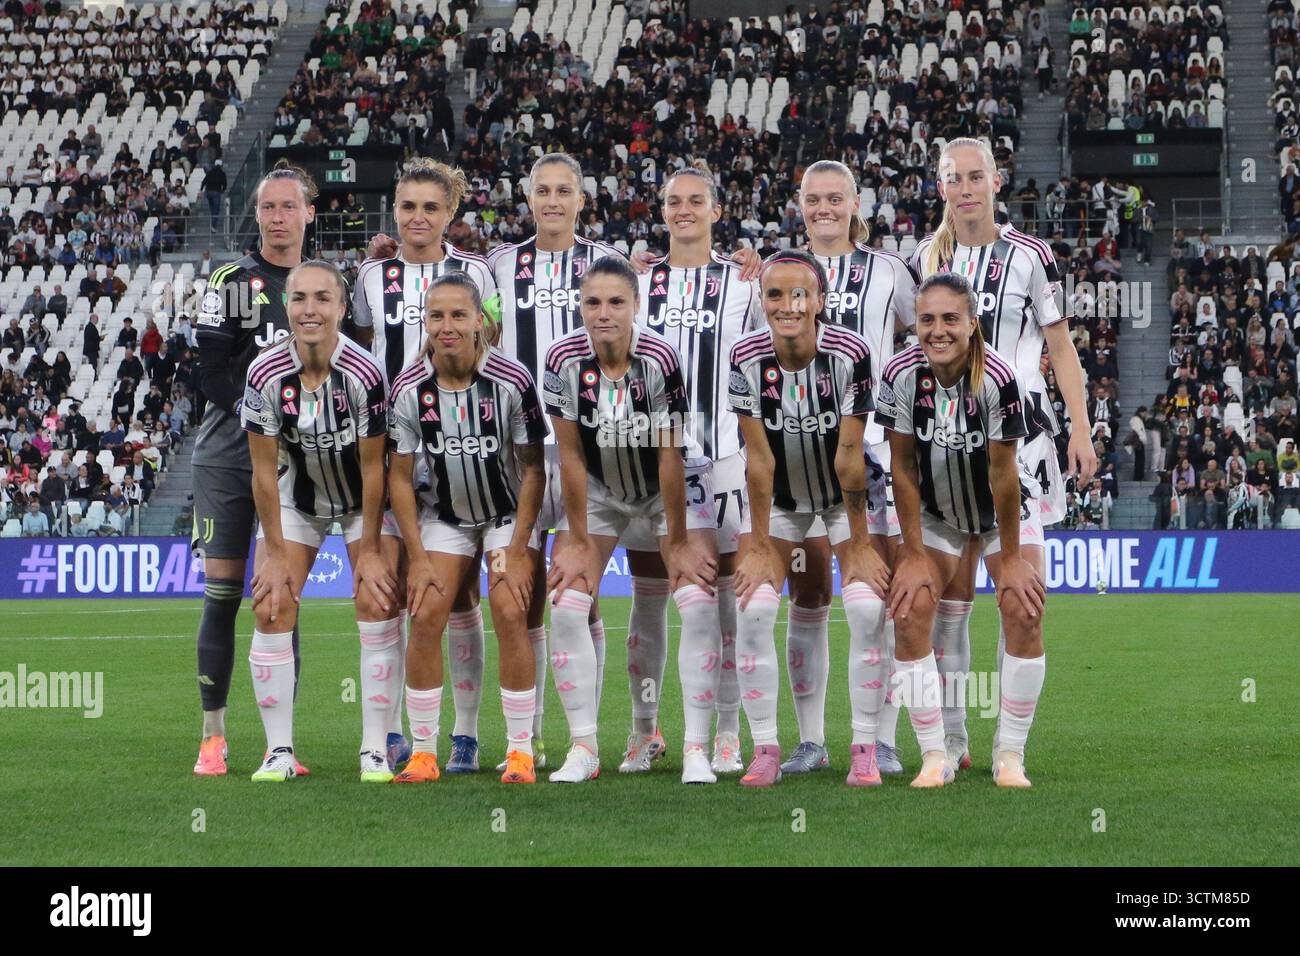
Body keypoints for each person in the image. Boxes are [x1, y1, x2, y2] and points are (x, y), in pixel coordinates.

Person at [908, 137, 1095, 773]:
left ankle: (1008, 753)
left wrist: (1081, 428)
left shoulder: (1031, 256)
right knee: (948, 609)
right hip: (942, 448)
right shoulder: (923, 258)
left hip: (1023, 445)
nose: (964, 188)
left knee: (1021, 600)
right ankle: (952, 744)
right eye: (952, 179)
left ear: (995, 181)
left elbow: (1061, 349)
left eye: (974, 177)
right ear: (940, 188)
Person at [543, 256, 718, 784]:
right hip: (600, 492)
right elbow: (570, 455)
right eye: (592, 302)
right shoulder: (561, 359)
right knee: (569, 604)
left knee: (694, 602)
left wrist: (680, 539)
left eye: (616, 301)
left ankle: (689, 747)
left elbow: (671, 454)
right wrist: (573, 539)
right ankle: (584, 748)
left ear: (636, 306)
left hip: (660, 490)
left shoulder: (661, 358)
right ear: (580, 306)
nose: (603, 313)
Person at [617, 161, 764, 776]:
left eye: (695, 200)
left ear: (715, 211)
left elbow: (762, 365)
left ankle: (726, 733)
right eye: (673, 201)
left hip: (726, 457)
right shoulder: (636, 284)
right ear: (662, 210)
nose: (683, 210)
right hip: (654, 460)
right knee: (650, 601)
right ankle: (643, 731)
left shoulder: (744, 284)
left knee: (725, 603)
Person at [775, 158, 918, 776]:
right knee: (807, 596)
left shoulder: (890, 272)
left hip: (874, 458)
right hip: (799, 457)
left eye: (836, 198)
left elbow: (925, 335)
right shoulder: (777, 271)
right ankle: (811, 739)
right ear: (799, 203)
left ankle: (880, 738)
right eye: (814, 199)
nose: (825, 208)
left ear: (857, 202)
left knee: (875, 600)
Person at [484, 153, 627, 769]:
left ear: (580, 198)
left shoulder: (602, 264)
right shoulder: (496, 267)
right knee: (521, 592)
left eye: (563, 190)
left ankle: (581, 735)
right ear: (527, 196)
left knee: (579, 591)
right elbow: (478, 334)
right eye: (541, 190)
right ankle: (531, 735)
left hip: (582, 449)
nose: (551, 200)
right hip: (517, 451)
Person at [728, 249, 889, 787]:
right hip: (779, 503)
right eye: (775, 294)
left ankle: (864, 745)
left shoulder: (850, 353)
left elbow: (850, 455)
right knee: (751, 611)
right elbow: (759, 459)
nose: (787, 304)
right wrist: (754, 543)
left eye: (800, 294)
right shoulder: (745, 356)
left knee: (867, 609)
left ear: (820, 300)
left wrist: (861, 542)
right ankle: (770, 748)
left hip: (840, 502)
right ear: (762, 300)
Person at [358, 159, 497, 773]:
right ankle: (390, 732)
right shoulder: (370, 275)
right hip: (389, 450)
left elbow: (492, 350)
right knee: (390, 592)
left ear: (451, 215)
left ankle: (464, 732)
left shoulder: (476, 273)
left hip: (460, 450)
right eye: (408, 206)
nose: (418, 217)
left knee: (459, 595)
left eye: (430, 207)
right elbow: (359, 356)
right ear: (395, 210)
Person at [879, 273, 1045, 788]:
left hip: (1002, 514)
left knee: (1023, 606)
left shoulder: (999, 379)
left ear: (973, 324)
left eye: (951, 318)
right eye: (927, 319)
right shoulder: (901, 374)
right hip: (936, 513)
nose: (937, 330)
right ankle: (939, 751)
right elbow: (901, 467)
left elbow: (1003, 474)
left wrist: (1013, 557)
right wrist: (910, 553)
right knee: (908, 611)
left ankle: (1009, 753)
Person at [386, 272, 548, 784]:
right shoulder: (410, 389)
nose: (448, 325)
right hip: (446, 518)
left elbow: (534, 471)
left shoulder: (511, 380)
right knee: (427, 609)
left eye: (459, 315)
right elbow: (398, 476)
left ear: (480, 320)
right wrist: (417, 554)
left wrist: (519, 547)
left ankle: (520, 751)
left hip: (505, 519)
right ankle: (425, 751)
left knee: (508, 607)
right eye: (437, 316)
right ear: (425, 322)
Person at [190, 161, 321, 778]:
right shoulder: (232, 280)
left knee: (279, 595)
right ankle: (213, 736)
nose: (276, 218)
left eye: (288, 206)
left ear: (308, 214)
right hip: (228, 454)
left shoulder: (324, 283)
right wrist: (257, 411)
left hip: (298, 458)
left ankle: (280, 745)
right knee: (222, 596)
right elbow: (208, 370)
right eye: (268, 207)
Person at [242, 259, 394, 783]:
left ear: (342, 308)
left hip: (361, 503)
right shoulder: (263, 373)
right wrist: (278, 553)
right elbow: (263, 472)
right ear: (287, 307)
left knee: (376, 602)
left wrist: (371, 547)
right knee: (270, 603)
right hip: (297, 499)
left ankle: (375, 748)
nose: (311, 310)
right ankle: (278, 752)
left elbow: (376, 468)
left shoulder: (365, 373)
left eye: (322, 299)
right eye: (301, 298)